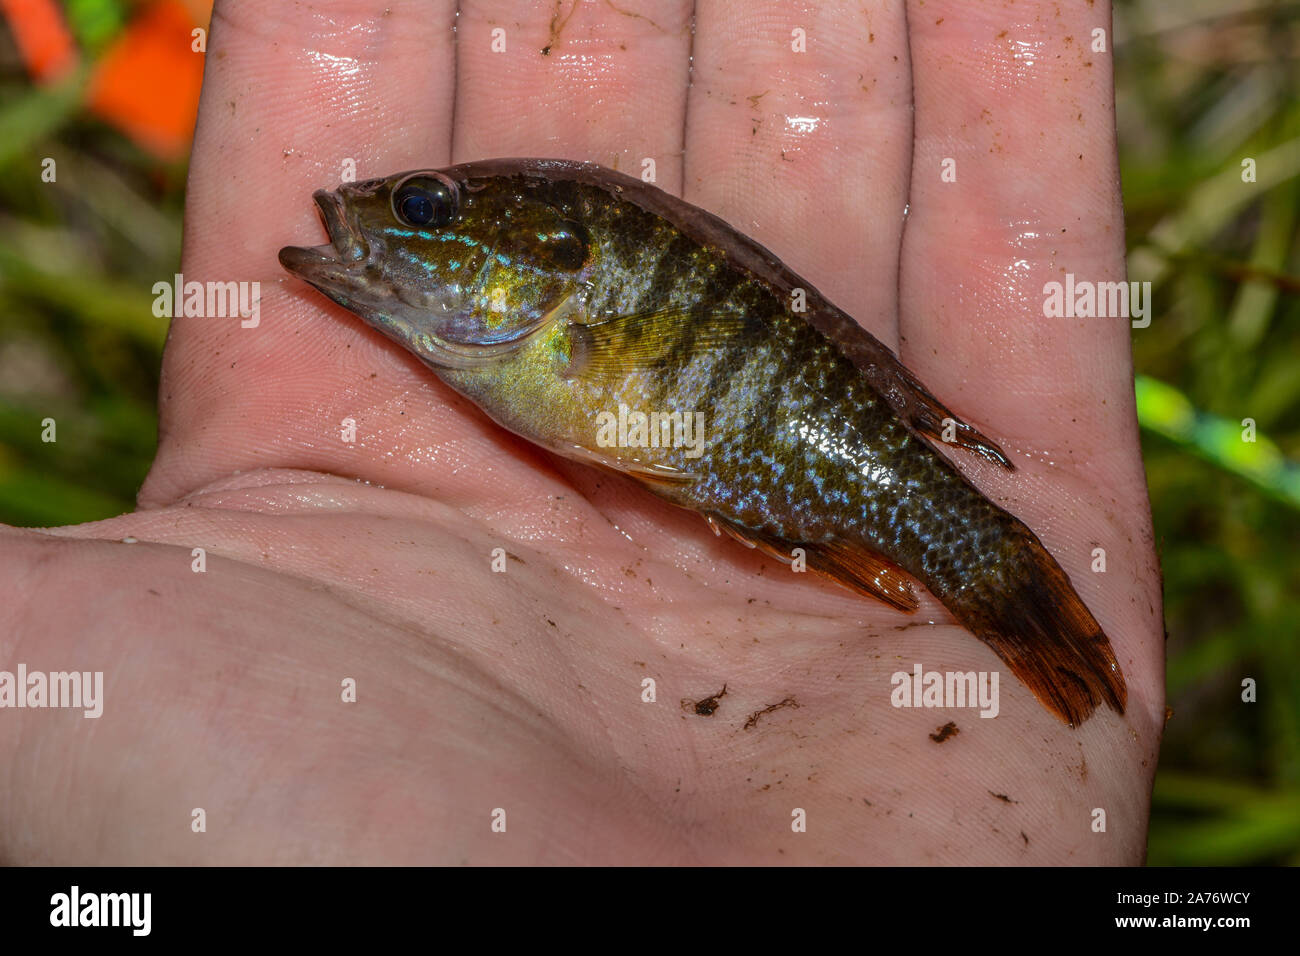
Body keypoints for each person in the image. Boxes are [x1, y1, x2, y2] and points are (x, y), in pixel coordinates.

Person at [0, 0, 1163, 864]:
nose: (373, 215)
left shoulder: (563, 303)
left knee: (933, 521)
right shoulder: (519, 320)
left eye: (427, 211)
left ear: (541, 258)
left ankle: (987, 565)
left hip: (818, 466)